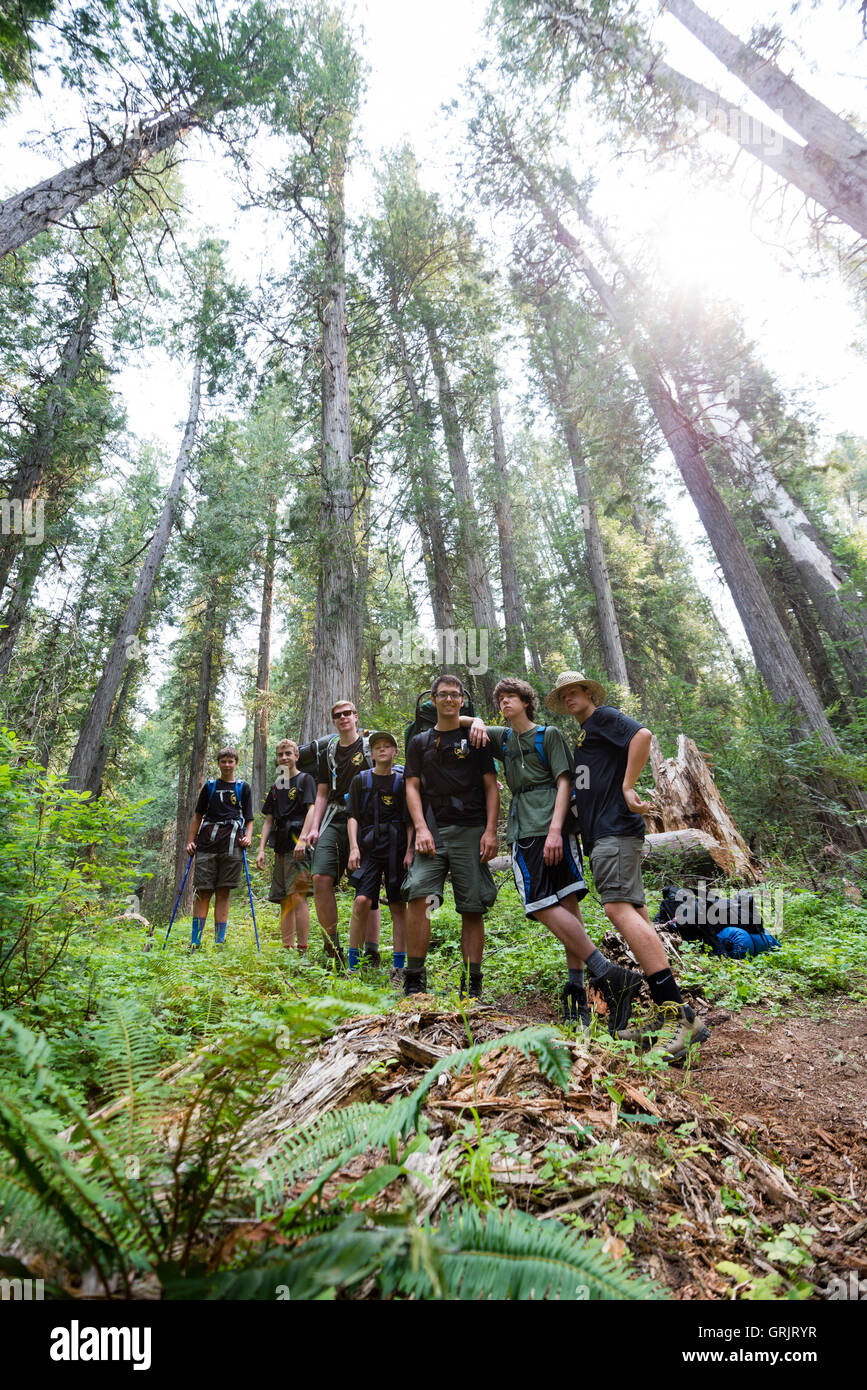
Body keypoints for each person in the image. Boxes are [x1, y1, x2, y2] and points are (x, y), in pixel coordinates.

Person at [546, 672, 710, 1062]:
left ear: (589, 693)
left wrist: (627, 785)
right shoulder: (586, 735)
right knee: (633, 910)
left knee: (617, 907)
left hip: (615, 830)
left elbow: (643, 735)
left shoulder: (603, 718)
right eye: (564, 695)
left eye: (575, 692)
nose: (570, 699)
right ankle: (669, 1011)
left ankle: (679, 1017)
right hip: (604, 834)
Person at [464, 677, 641, 1029]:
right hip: (524, 827)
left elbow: (565, 780)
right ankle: (602, 975)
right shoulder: (504, 739)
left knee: (564, 902)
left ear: (526, 702)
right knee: (542, 904)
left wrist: (557, 830)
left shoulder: (550, 735)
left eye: (511, 698)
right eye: (500, 700)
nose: (505, 704)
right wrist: (479, 721)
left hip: (553, 828)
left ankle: (579, 989)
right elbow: (463, 722)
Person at [402, 673, 499, 999]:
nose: (448, 699)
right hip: (433, 832)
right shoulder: (419, 742)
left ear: (462, 700)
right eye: (442, 694)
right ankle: (414, 977)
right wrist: (421, 829)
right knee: (420, 899)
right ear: (433, 699)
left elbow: (490, 786)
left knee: (471, 907)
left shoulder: (476, 738)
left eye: (454, 695)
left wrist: (490, 831)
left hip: (471, 830)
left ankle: (472, 984)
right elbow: (412, 787)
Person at [305, 701, 380, 966]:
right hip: (335, 819)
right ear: (334, 722)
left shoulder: (370, 745)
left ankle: (371, 950)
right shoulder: (328, 752)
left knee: (366, 885)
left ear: (356, 717)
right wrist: (314, 828)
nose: (343, 718)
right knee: (320, 877)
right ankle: (332, 945)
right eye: (338, 715)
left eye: (347, 713)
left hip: (367, 820)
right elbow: (322, 791)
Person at [346, 731, 411, 979]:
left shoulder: (403, 782)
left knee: (397, 905)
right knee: (362, 901)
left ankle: (399, 967)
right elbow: (352, 816)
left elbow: (409, 821)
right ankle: (353, 965)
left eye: (388, 746)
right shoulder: (360, 781)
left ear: (395, 752)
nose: (382, 750)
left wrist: (410, 850)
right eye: (377, 747)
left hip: (397, 848)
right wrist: (354, 847)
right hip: (368, 848)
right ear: (371, 754)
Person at [185, 746, 254, 950]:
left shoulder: (243, 788)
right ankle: (195, 942)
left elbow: (249, 819)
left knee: (224, 892)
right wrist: (191, 841)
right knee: (203, 892)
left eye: (230, 761)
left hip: (232, 844)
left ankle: (219, 941)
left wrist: (248, 837)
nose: (226, 764)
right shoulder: (210, 787)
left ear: (236, 763)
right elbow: (198, 816)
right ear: (218, 763)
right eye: (223, 761)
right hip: (207, 844)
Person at [256, 738, 316, 953]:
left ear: (296, 756)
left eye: (288, 753)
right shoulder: (277, 785)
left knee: (298, 896)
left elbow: (312, 809)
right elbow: (269, 819)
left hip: (298, 844)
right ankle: (287, 948)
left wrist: (303, 838)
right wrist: (262, 849)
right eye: (280, 754)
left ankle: (303, 948)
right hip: (280, 846)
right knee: (283, 899)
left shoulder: (305, 779)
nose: (284, 758)